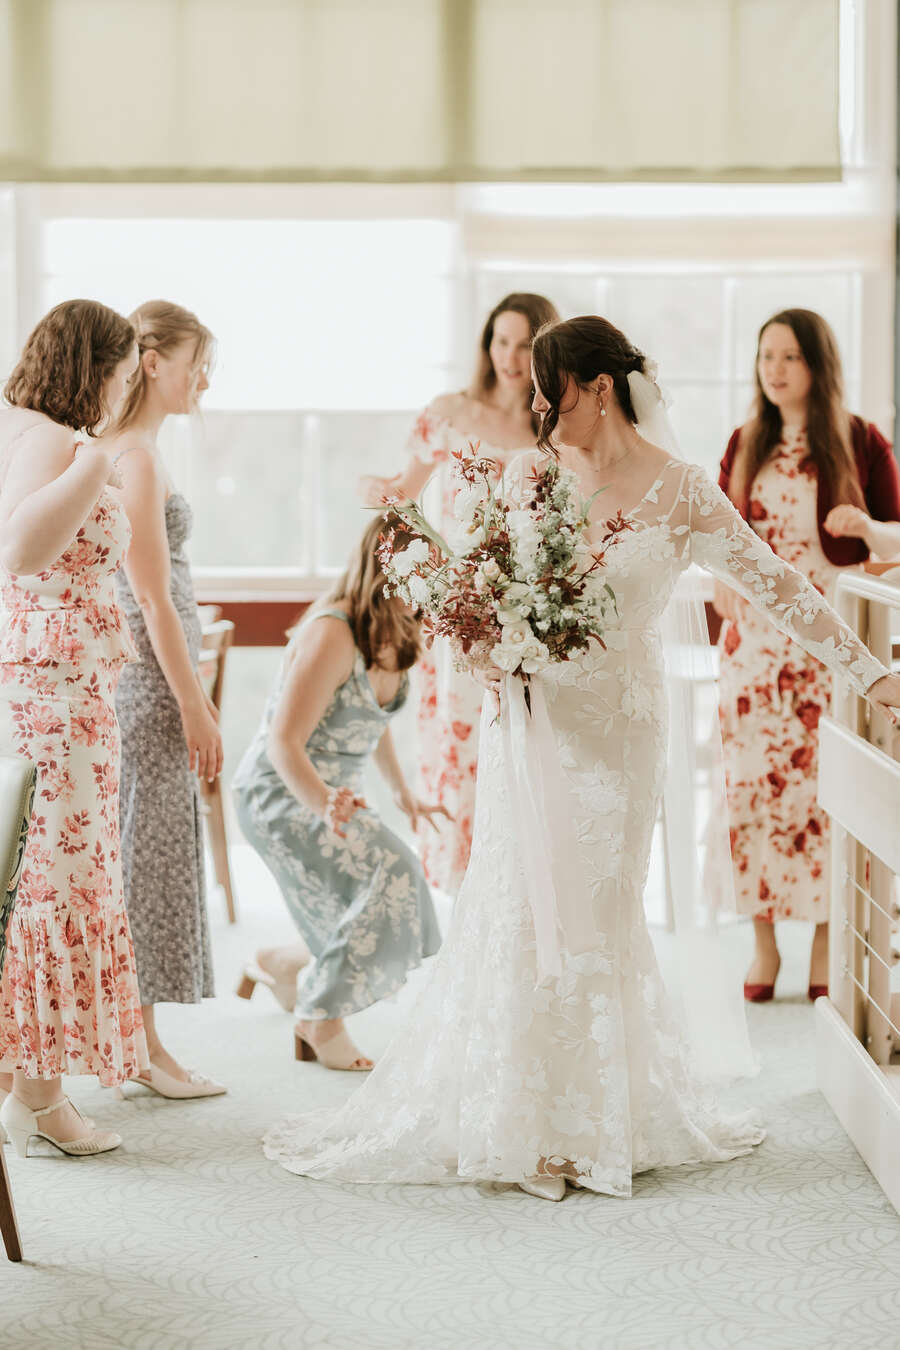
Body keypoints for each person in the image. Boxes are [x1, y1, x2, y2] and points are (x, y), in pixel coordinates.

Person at [262, 316, 900, 1201]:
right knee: (519, 904)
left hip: (618, 732)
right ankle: (517, 1118)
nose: (534, 404)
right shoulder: (531, 476)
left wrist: (870, 673)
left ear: (600, 389)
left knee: (596, 912)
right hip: (529, 725)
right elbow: (486, 595)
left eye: (549, 388)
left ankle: (585, 1123)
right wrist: (487, 651)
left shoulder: (681, 492)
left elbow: (778, 583)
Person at [713, 309, 900, 1003]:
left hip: (828, 649)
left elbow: (894, 541)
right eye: (766, 355)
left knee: (827, 796)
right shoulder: (743, 442)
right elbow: (717, 541)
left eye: (790, 356)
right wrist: (724, 593)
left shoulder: (860, 441)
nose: (775, 368)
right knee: (752, 793)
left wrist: (865, 526)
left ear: (817, 366)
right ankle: (763, 945)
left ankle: (827, 940)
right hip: (754, 653)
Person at [0, 299, 147, 1156]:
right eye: (123, 375)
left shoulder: (34, 430)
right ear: (94, 368)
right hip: (54, 700)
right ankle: (41, 1099)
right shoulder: (59, 440)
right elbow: (18, 550)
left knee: (57, 879)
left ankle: (34, 1088)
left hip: (59, 688)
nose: (124, 392)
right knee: (59, 882)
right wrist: (97, 464)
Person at [360, 293, 560, 896]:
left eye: (525, 343)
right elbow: (404, 495)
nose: (510, 356)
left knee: (526, 749)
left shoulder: (553, 426)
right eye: (501, 341)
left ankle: (524, 891)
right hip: (460, 613)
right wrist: (379, 492)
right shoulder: (450, 413)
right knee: (463, 742)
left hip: (531, 612)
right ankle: (469, 895)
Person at [233, 514, 444, 1071]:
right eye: (423, 573)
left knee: (370, 899)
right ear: (389, 570)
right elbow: (283, 743)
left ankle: (281, 962)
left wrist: (404, 792)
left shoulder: (398, 628)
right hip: (280, 793)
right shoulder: (333, 631)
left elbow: (371, 721)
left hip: (336, 796)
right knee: (396, 873)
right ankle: (319, 1018)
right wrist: (323, 800)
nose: (432, 587)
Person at [100, 299, 225, 1099]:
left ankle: (138, 1042)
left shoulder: (132, 449)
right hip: (151, 685)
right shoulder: (135, 458)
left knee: (143, 857)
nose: (205, 380)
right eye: (197, 363)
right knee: (149, 862)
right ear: (154, 363)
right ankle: (141, 1048)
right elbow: (149, 596)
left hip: (149, 677)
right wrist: (195, 703)